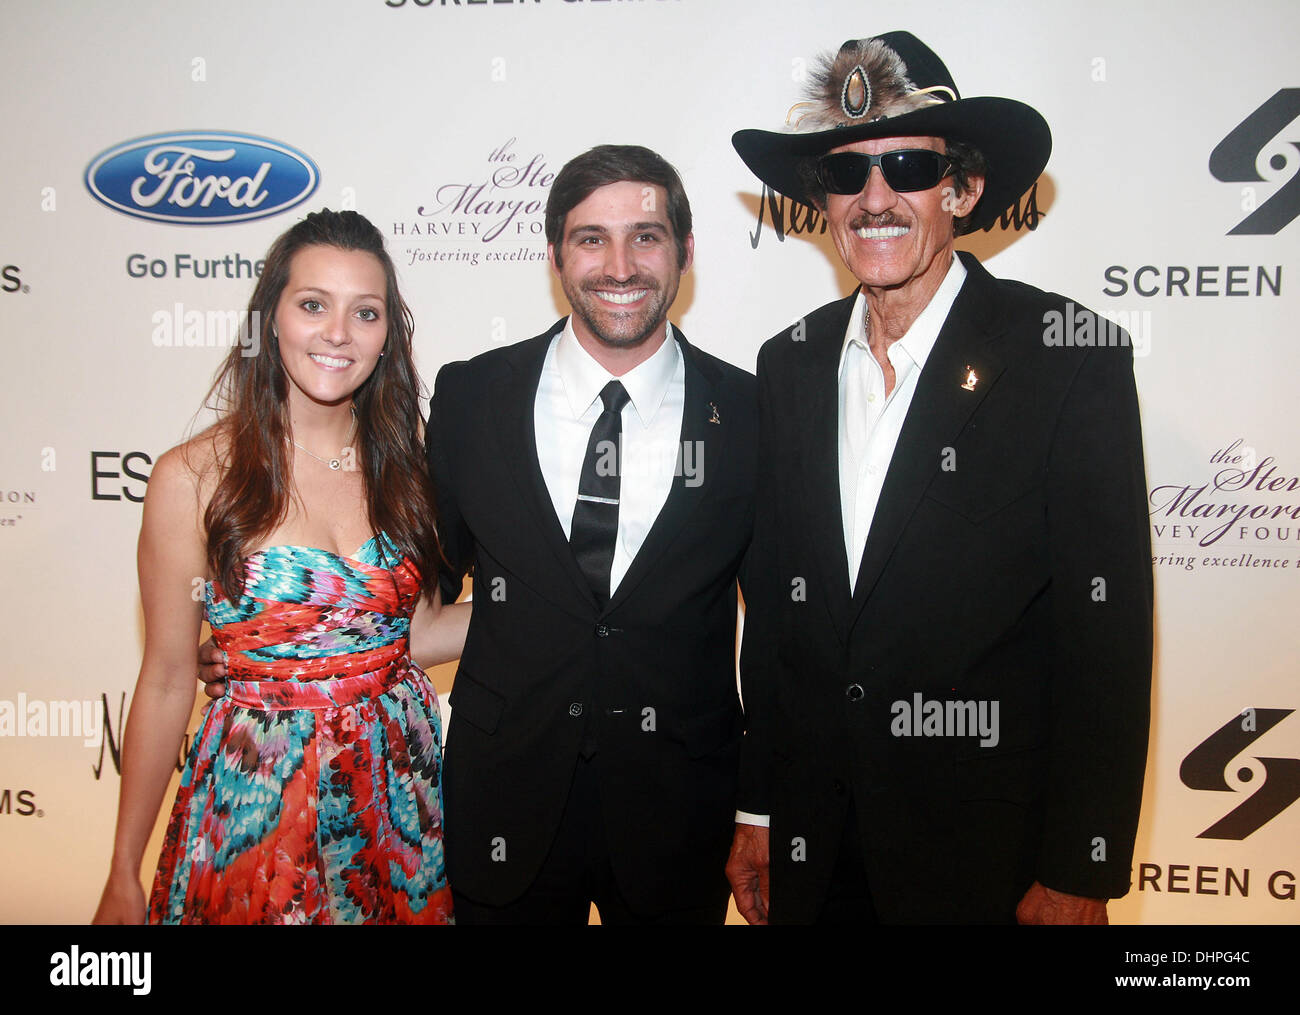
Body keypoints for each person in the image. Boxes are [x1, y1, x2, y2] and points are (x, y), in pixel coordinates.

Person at [726, 31, 1153, 924]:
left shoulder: (1067, 358)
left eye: (908, 168)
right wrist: (759, 807)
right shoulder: (788, 364)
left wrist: (1082, 865)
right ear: (822, 202)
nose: (874, 200)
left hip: (987, 861)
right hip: (816, 848)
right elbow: (774, 618)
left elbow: (1103, 637)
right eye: (846, 176)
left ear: (960, 189)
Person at [93, 209, 468, 925]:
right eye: (312, 305)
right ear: (270, 318)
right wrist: (122, 871)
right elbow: (170, 676)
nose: (338, 333)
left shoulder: (410, 462)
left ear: (388, 333)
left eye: (365, 312)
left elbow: (415, 633)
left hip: (395, 796)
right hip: (255, 800)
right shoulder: (192, 477)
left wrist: (558, 615)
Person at [426, 145, 757, 923]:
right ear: (554, 255)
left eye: (646, 235)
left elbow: (781, 632)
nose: (620, 264)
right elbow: (416, 590)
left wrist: (764, 810)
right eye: (590, 238)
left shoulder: (748, 413)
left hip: (682, 811)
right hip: (502, 799)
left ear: (685, 252)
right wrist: (290, 649)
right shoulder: (472, 396)